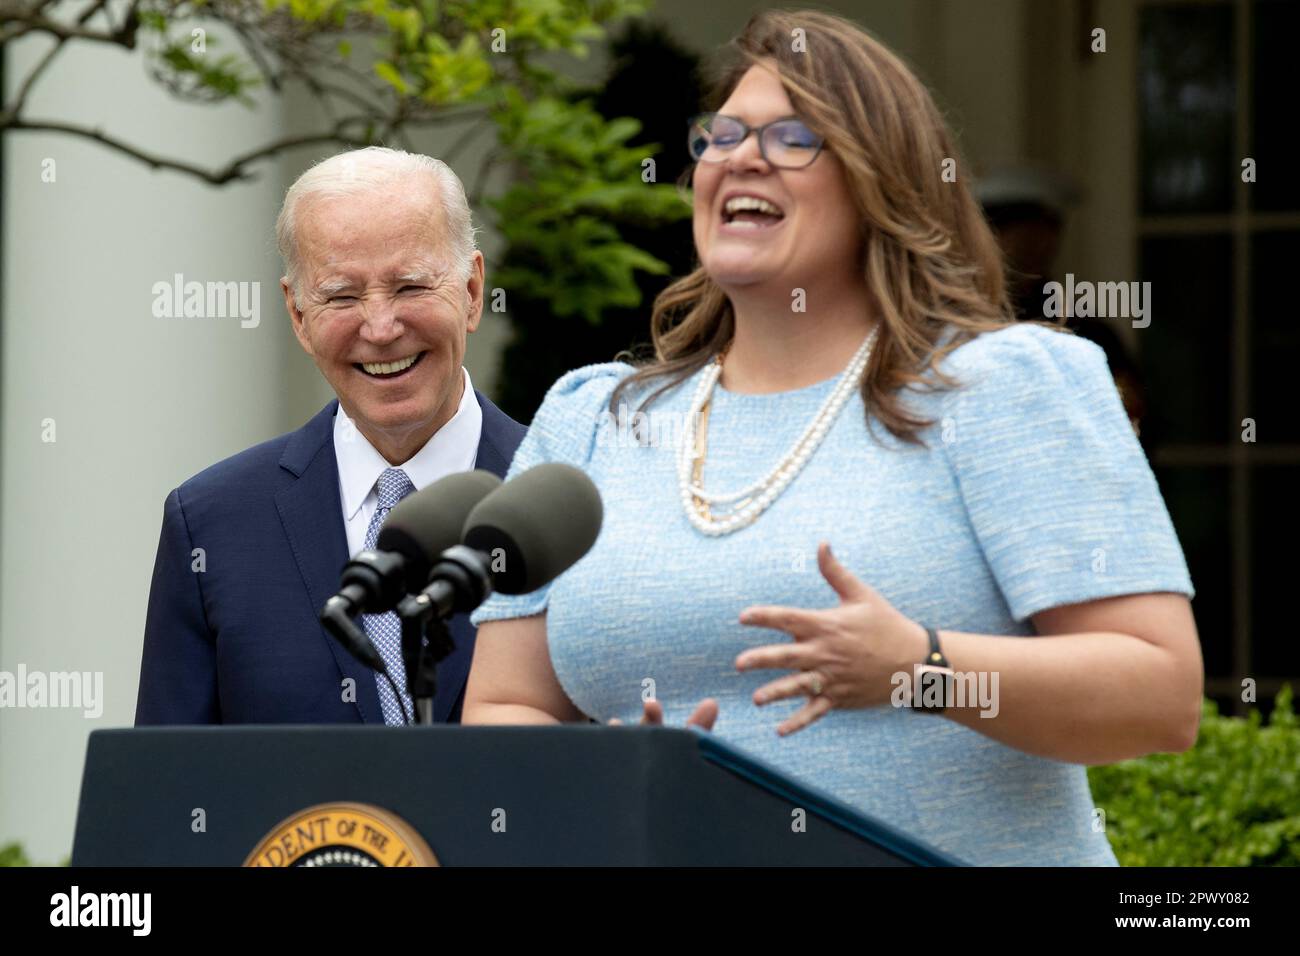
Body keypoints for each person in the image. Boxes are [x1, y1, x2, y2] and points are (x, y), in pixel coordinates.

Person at [462, 10, 1202, 866]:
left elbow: (1161, 694)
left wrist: (918, 669)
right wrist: (615, 775)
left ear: (879, 182)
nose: (740, 156)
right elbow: (505, 707)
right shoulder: (593, 417)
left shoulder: (1003, 388)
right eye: (722, 135)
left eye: (793, 137)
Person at [135, 147, 525, 726]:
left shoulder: (566, 503)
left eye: (410, 286)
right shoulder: (213, 523)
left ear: (471, 291)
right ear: (298, 316)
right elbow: (167, 792)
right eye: (341, 295)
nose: (381, 327)